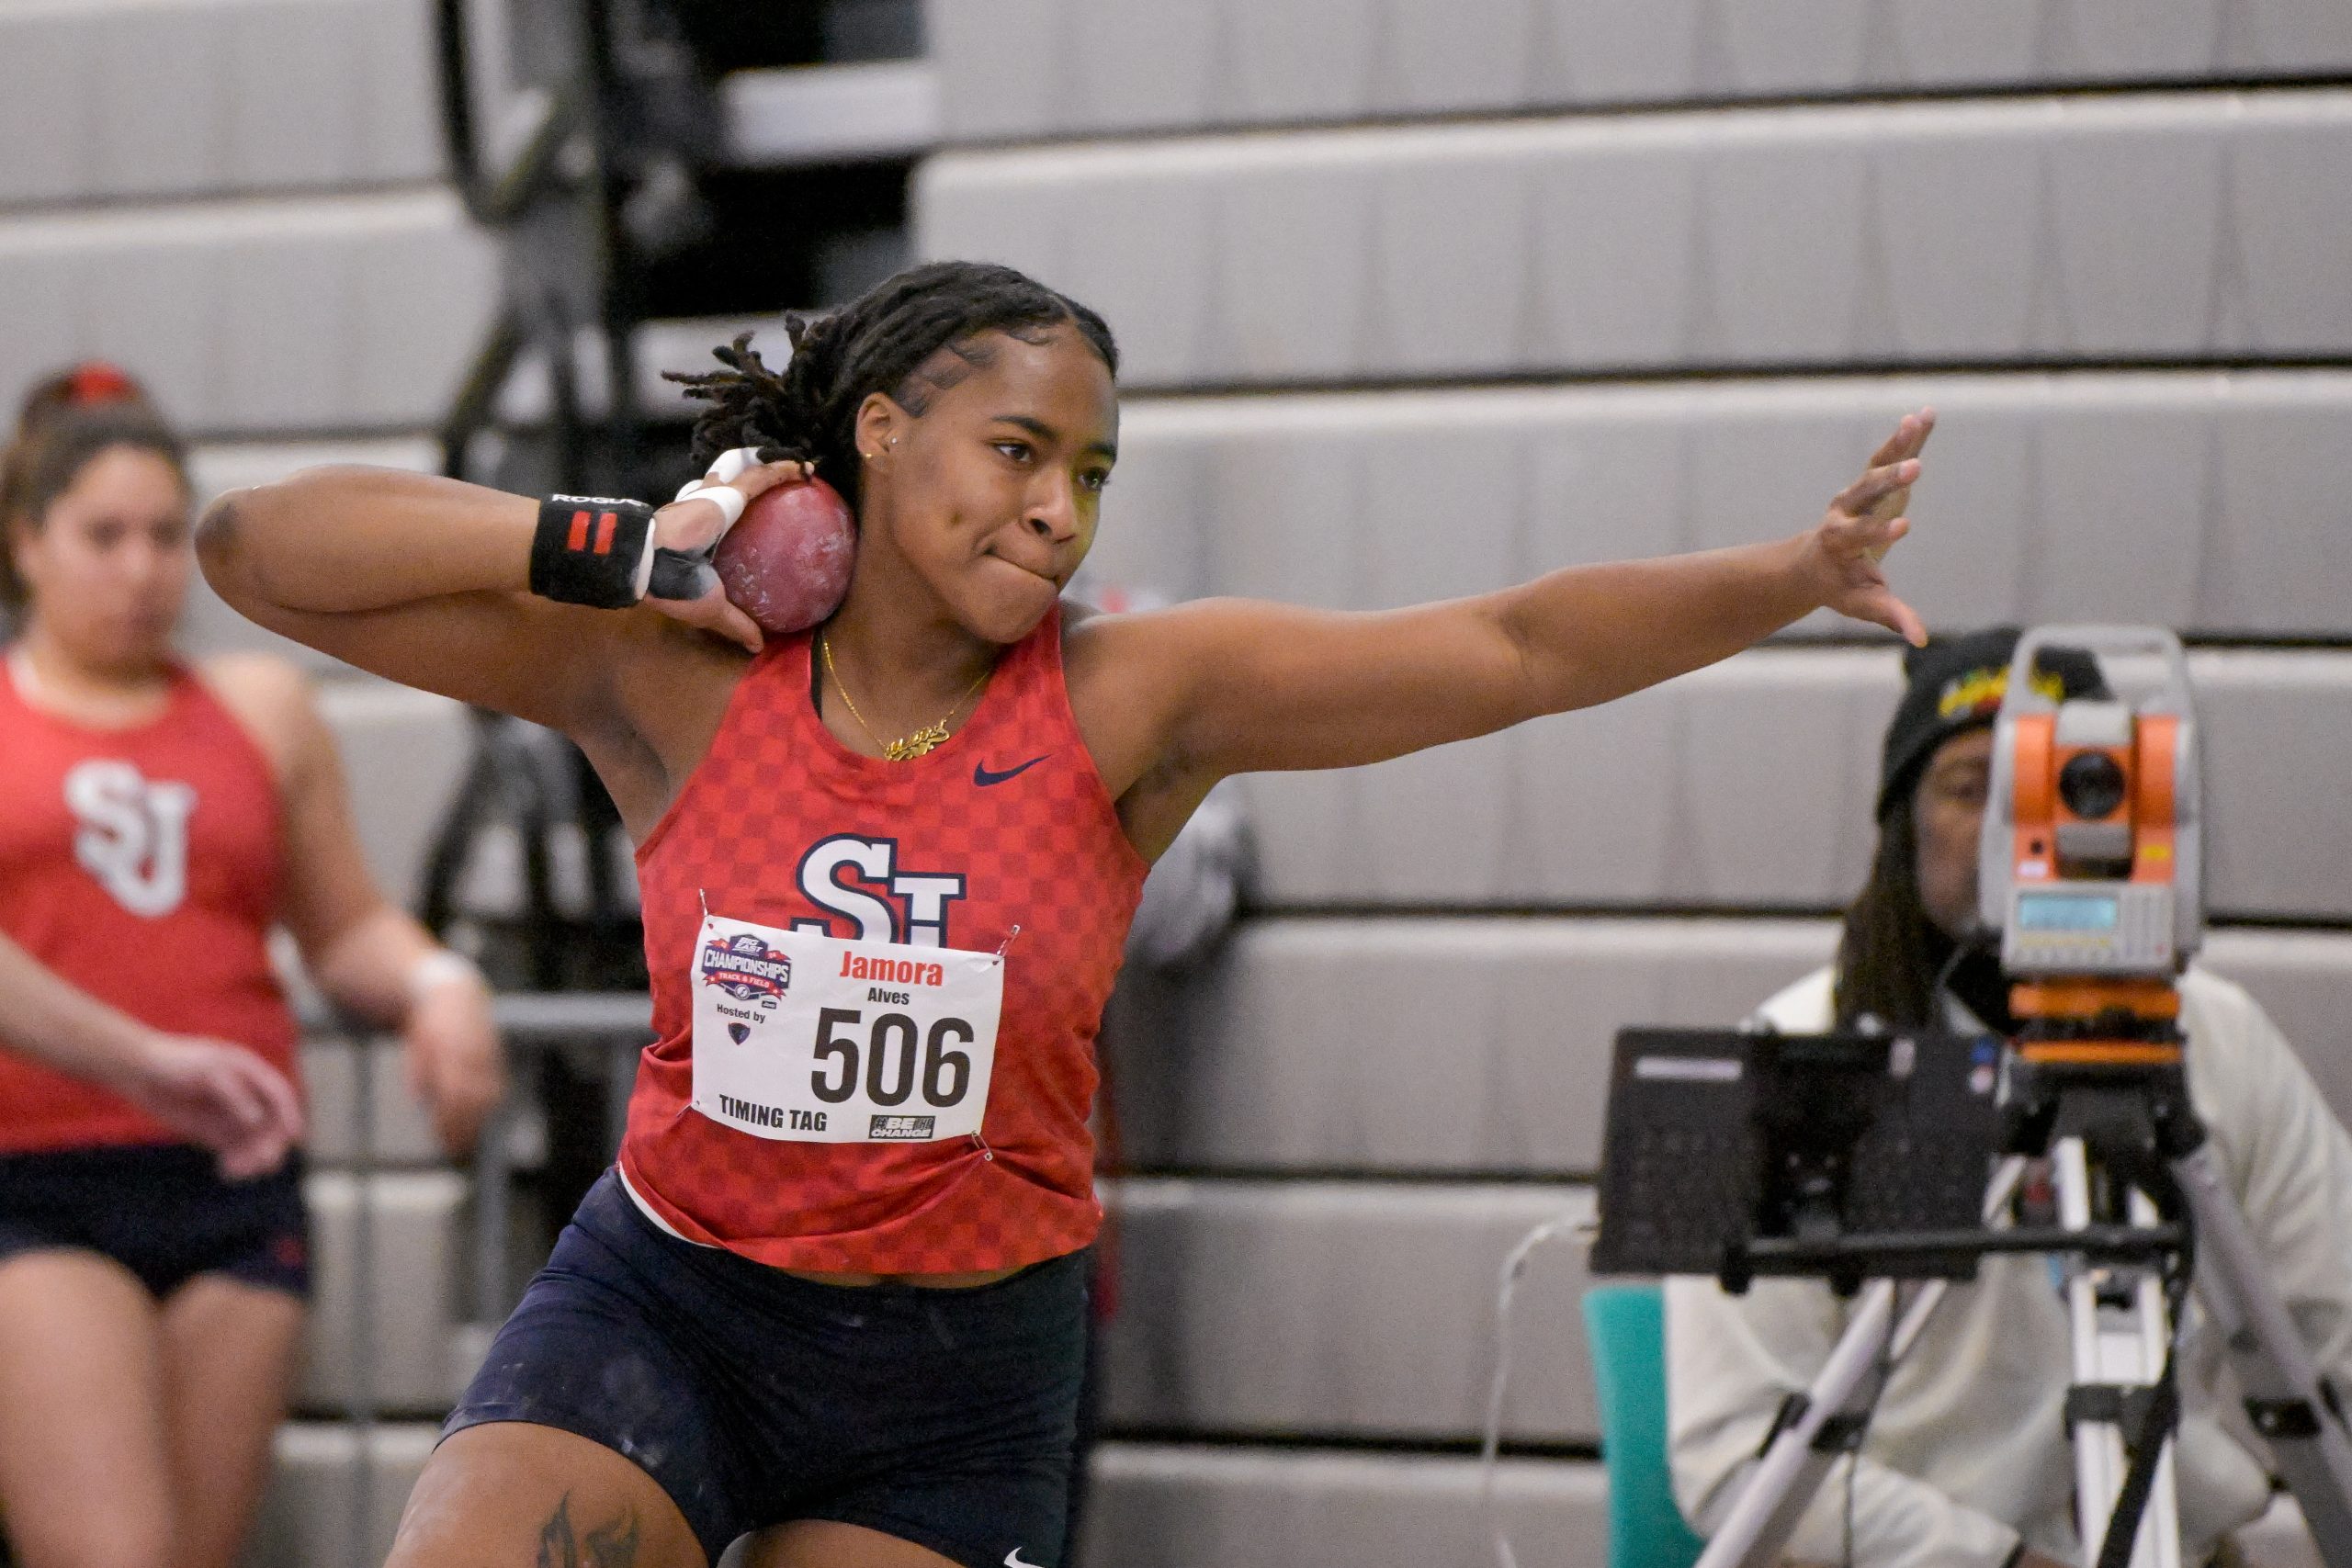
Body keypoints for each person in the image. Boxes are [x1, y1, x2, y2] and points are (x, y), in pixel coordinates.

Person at [198, 258, 1931, 1568]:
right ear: (875, 436)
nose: (1056, 507)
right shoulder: (679, 675)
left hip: (953, 1379)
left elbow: (1510, 650)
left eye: (1091, 473)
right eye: (1017, 449)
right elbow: (256, 545)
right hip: (674, 1299)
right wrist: (626, 544)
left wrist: (1786, 578)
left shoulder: (1130, 699)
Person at [1666, 627, 2352, 1568]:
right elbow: (1734, 1452)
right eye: (1969, 786)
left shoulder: (2217, 1037)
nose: (2017, 827)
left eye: (2069, 781)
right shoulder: (1803, 1061)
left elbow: (2339, 1326)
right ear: (1903, 827)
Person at [0, 365, 507, 1568]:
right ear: (27, 544)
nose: (141, 568)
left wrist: (442, 984)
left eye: (166, 535)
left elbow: (343, 925)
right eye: (104, 536)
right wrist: (140, 1057)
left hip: (233, 1170)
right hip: (39, 1166)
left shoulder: (259, 704)